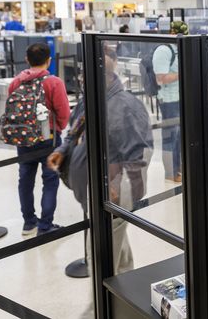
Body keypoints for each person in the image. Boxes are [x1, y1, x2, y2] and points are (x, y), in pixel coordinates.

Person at [48, 46, 151, 309]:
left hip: (111, 193)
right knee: (118, 248)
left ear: (112, 68)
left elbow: (140, 153)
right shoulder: (90, 98)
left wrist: (118, 188)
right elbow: (74, 130)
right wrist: (62, 151)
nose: (86, 77)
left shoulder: (126, 105)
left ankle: (100, 308)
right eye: (85, 72)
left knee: (100, 253)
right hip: (93, 189)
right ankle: (126, 297)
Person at [8, 42, 70, 236]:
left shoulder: (16, 82)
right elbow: (63, 112)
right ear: (49, 60)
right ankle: (45, 225)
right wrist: (57, 129)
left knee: (25, 180)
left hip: (23, 138)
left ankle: (29, 223)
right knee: (50, 180)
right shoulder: (54, 82)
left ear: (27, 59)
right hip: (48, 138)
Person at [153, 21, 187, 183]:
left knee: (179, 137)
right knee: (170, 137)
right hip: (168, 101)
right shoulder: (163, 50)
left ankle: (178, 168)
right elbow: (161, 78)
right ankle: (170, 172)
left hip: (180, 98)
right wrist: (184, 72)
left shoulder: (179, 48)